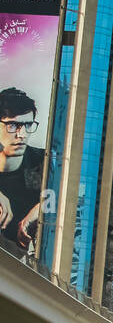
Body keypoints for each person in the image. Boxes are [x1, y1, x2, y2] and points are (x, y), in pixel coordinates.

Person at [0, 86, 43, 249]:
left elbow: (70, 194)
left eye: (28, 125)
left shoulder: (40, 163)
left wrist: (40, 208)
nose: (22, 134)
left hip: (24, 267)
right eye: (12, 125)